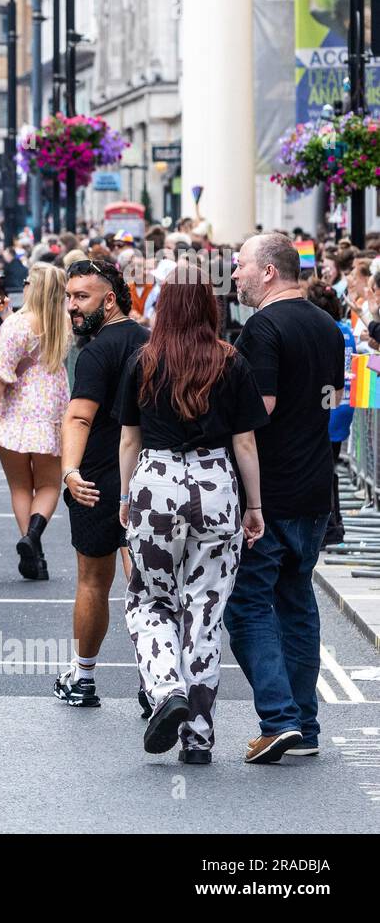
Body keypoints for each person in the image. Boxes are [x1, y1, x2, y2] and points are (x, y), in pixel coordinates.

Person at [116, 264, 267, 764]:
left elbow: (129, 439)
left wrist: (124, 498)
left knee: (148, 600)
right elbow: (245, 442)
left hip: (155, 485)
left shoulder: (144, 360)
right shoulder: (232, 361)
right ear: (208, 304)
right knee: (205, 611)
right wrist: (255, 506)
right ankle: (199, 737)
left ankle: (166, 690)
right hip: (215, 486)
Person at [224, 233, 345, 764]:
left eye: (240, 266)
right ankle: (306, 723)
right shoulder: (326, 325)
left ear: (269, 272)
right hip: (316, 488)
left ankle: (279, 719)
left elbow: (260, 409)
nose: (234, 275)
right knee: (297, 601)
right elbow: (329, 403)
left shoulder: (264, 328)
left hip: (269, 492)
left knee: (247, 604)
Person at [55, 259, 150, 707]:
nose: (72, 307)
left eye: (82, 298)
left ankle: (83, 678)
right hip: (148, 476)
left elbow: (78, 415)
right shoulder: (152, 342)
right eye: (69, 297)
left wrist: (70, 472)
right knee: (147, 582)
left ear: (109, 299)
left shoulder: (96, 351)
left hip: (96, 479)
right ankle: (157, 680)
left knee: (94, 579)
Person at [0, 263, 70, 580]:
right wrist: (8, 314)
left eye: (27, 281)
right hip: (50, 412)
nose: (23, 284)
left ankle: (34, 551)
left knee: (19, 487)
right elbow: (32, 348)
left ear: (35, 287)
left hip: (15, 413)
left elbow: (0, 375)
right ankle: (33, 539)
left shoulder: (16, 325)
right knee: (49, 485)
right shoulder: (63, 323)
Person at [305, 281, 354, 548]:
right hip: (343, 403)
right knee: (330, 467)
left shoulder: (322, 331)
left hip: (326, 404)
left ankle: (330, 525)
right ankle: (334, 524)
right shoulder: (345, 330)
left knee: (324, 469)